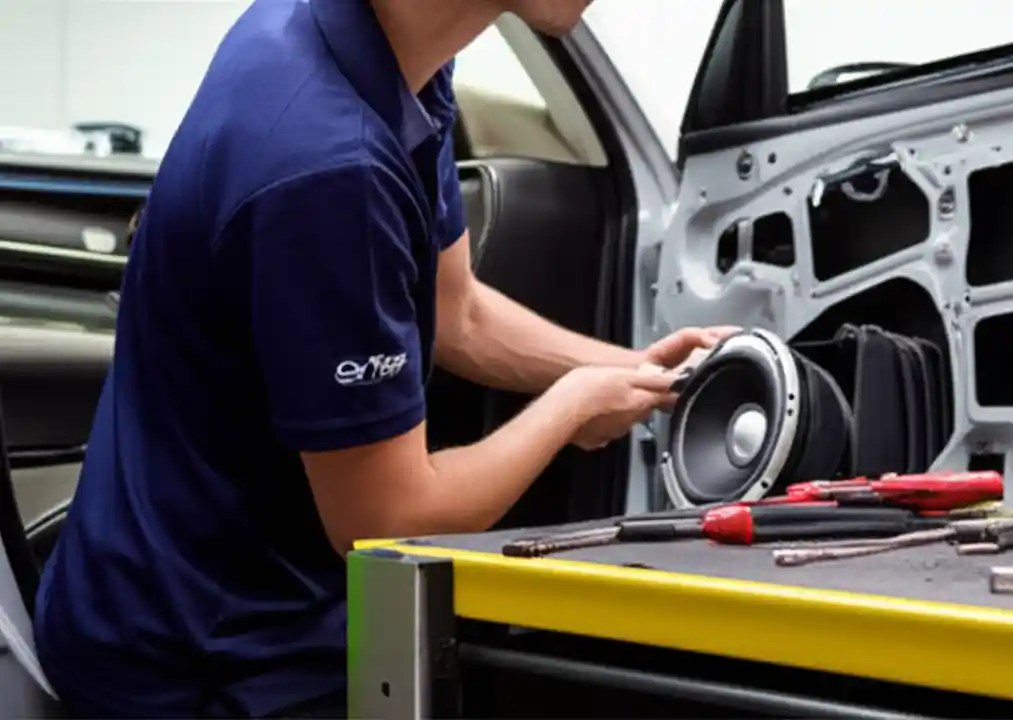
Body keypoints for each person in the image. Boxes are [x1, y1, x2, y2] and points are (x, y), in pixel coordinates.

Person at [33, 1, 732, 717]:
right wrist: (570, 408)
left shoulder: (366, 45)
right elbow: (389, 518)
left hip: (165, 589)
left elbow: (456, 310)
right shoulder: (330, 166)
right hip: (205, 660)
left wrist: (632, 371)